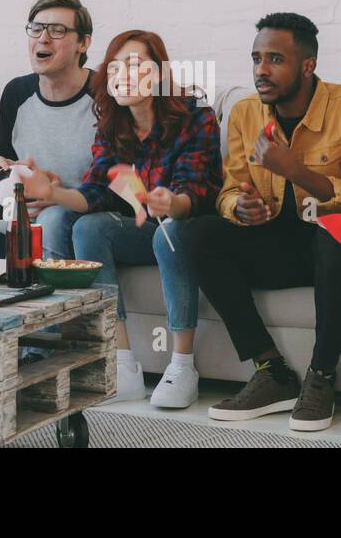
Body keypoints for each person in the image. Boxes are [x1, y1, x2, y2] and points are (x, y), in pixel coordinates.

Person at [176, 13, 341, 430]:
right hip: (273, 248)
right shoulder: (245, 114)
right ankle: (271, 372)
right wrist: (238, 209)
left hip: (331, 255)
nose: (261, 70)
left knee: (337, 235)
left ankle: (321, 376)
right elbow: (229, 190)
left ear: (307, 66)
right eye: (257, 58)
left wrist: (295, 170)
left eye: (275, 59)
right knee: (199, 233)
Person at [20, 30, 222, 406]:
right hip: (141, 228)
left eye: (134, 65)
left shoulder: (196, 116)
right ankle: (122, 364)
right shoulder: (113, 126)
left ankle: (182, 365)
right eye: (114, 68)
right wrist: (51, 194)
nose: (123, 75)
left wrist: (169, 201)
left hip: (188, 227)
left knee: (169, 231)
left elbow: (193, 195)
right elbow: (95, 191)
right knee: (88, 226)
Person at [0, 0, 97, 261]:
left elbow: (115, 184)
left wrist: (58, 195)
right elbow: (5, 156)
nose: (43, 38)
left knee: (51, 218)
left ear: (83, 43)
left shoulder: (105, 96)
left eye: (58, 30)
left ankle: (46, 301)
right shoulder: (16, 92)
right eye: (36, 29)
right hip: (20, 204)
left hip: (73, 209)